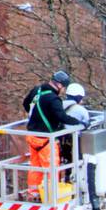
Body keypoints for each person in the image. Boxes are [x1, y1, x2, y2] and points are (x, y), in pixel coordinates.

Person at [22, 70, 72, 200]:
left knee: (35, 167)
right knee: (51, 168)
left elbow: (26, 104)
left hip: (32, 136)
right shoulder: (54, 100)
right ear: (60, 85)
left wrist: (36, 117)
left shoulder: (37, 91)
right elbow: (62, 117)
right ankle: (51, 195)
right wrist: (79, 122)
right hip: (46, 140)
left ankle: (33, 193)